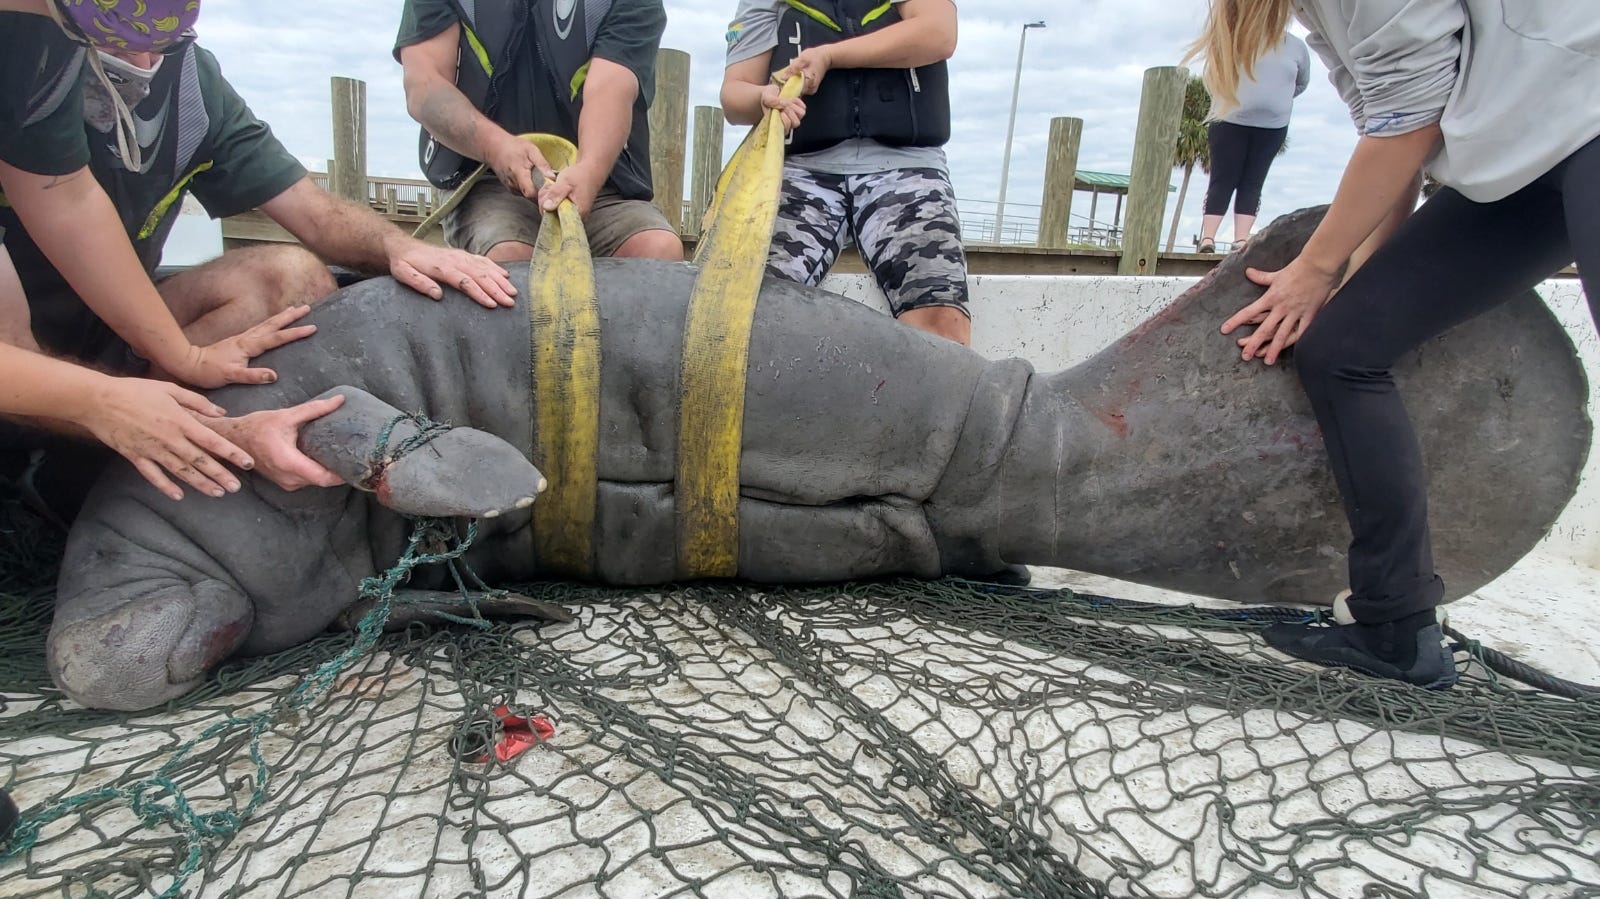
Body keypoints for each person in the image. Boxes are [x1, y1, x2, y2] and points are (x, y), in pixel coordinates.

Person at [1198, 0, 1600, 688]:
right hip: (1521, 161)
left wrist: (1317, 267)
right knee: (1343, 346)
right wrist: (1348, 284)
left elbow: (1409, 129)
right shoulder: (1317, 15)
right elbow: (1397, 133)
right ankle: (1395, 626)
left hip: (1586, 117)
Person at [720, 0, 970, 346]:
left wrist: (830, 56)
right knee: (739, 315)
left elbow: (939, 32)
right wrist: (762, 97)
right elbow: (734, 94)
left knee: (941, 319)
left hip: (907, 167)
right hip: (800, 171)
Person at [395, 0, 682, 264]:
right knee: (511, 259)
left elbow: (612, 87)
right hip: (485, 180)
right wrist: (496, 146)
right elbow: (423, 84)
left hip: (600, 183)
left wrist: (590, 169)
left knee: (657, 249)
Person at [1190, 29, 1308, 253]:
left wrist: (1274, 98)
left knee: (1253, 182)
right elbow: (1214, 72)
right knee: (1222, 180)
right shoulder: (1233, 35)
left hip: (1272, 127)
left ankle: (1240, 240)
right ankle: (1208, 239)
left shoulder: (1297, 46)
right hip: (1229, 121)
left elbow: (1301, 83)